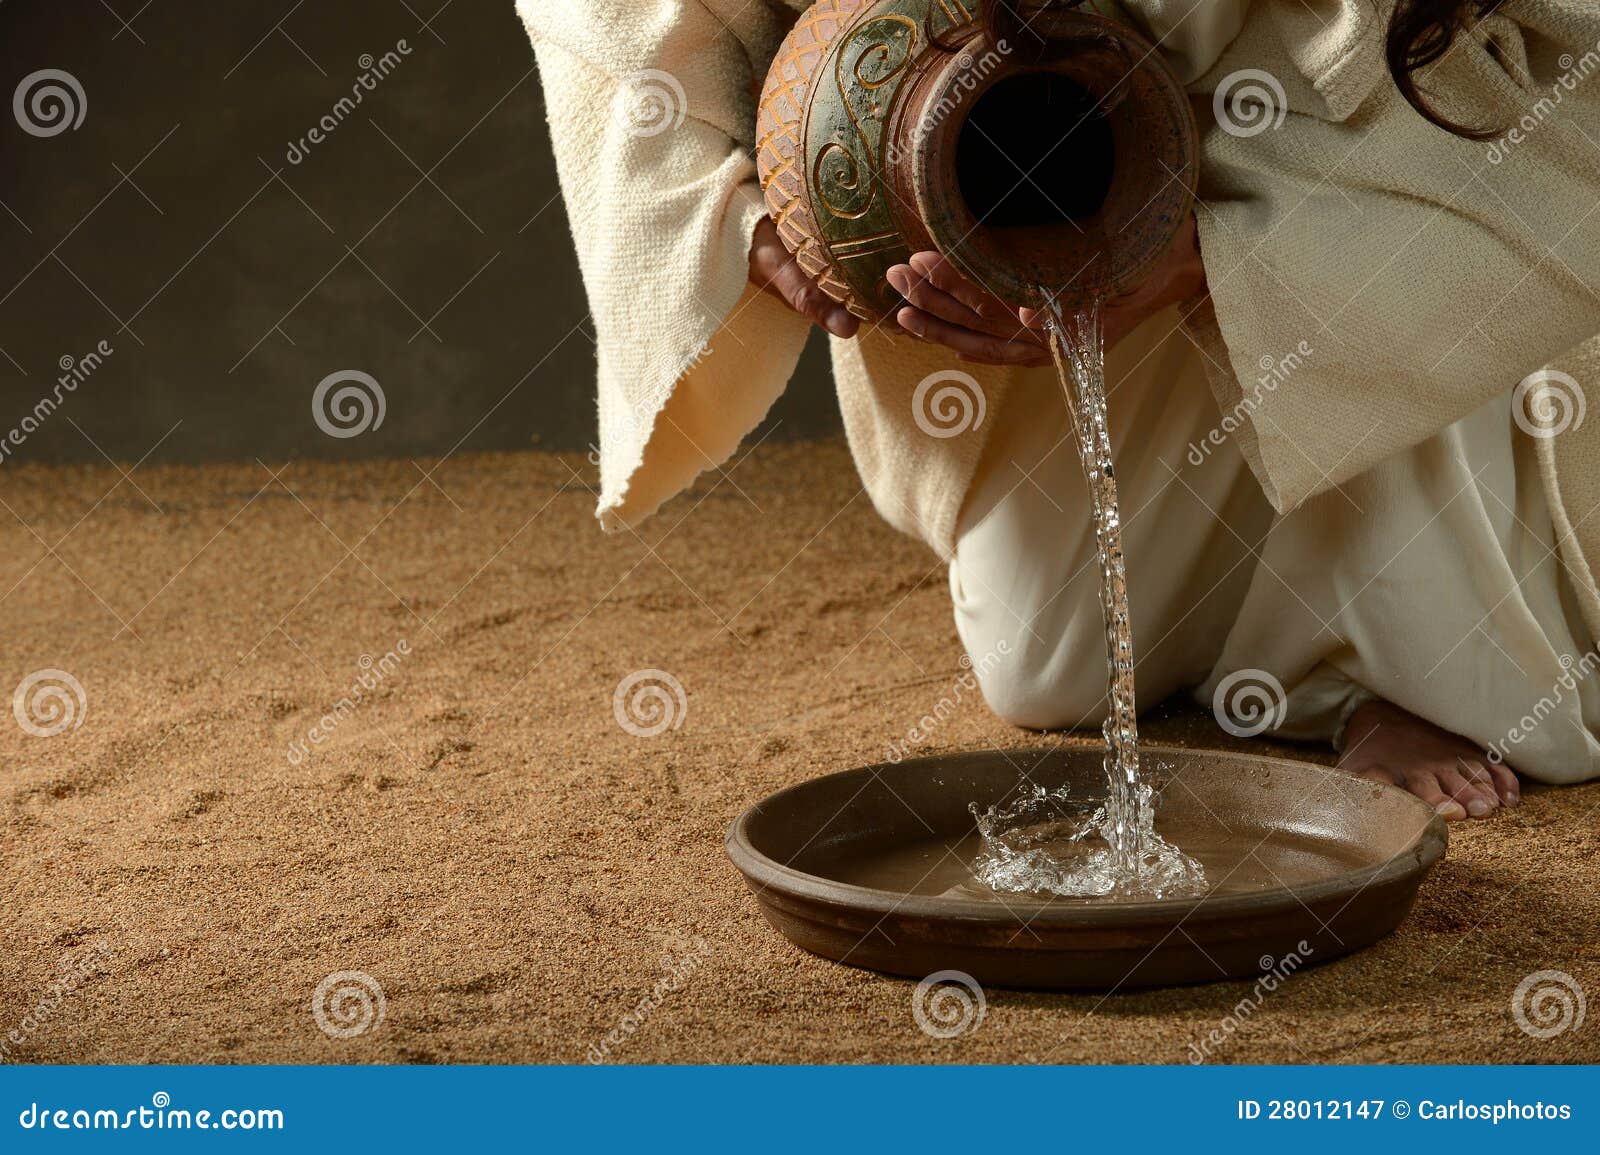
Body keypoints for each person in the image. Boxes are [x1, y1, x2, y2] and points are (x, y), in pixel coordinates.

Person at [520, 0, 1600, 819]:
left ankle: (1404, 659)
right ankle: (1273, 625)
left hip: (1343, 117)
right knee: (1050, 662)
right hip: (1010, 155)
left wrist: (1216, 258)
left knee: (1411, 125)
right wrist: (735, 201)